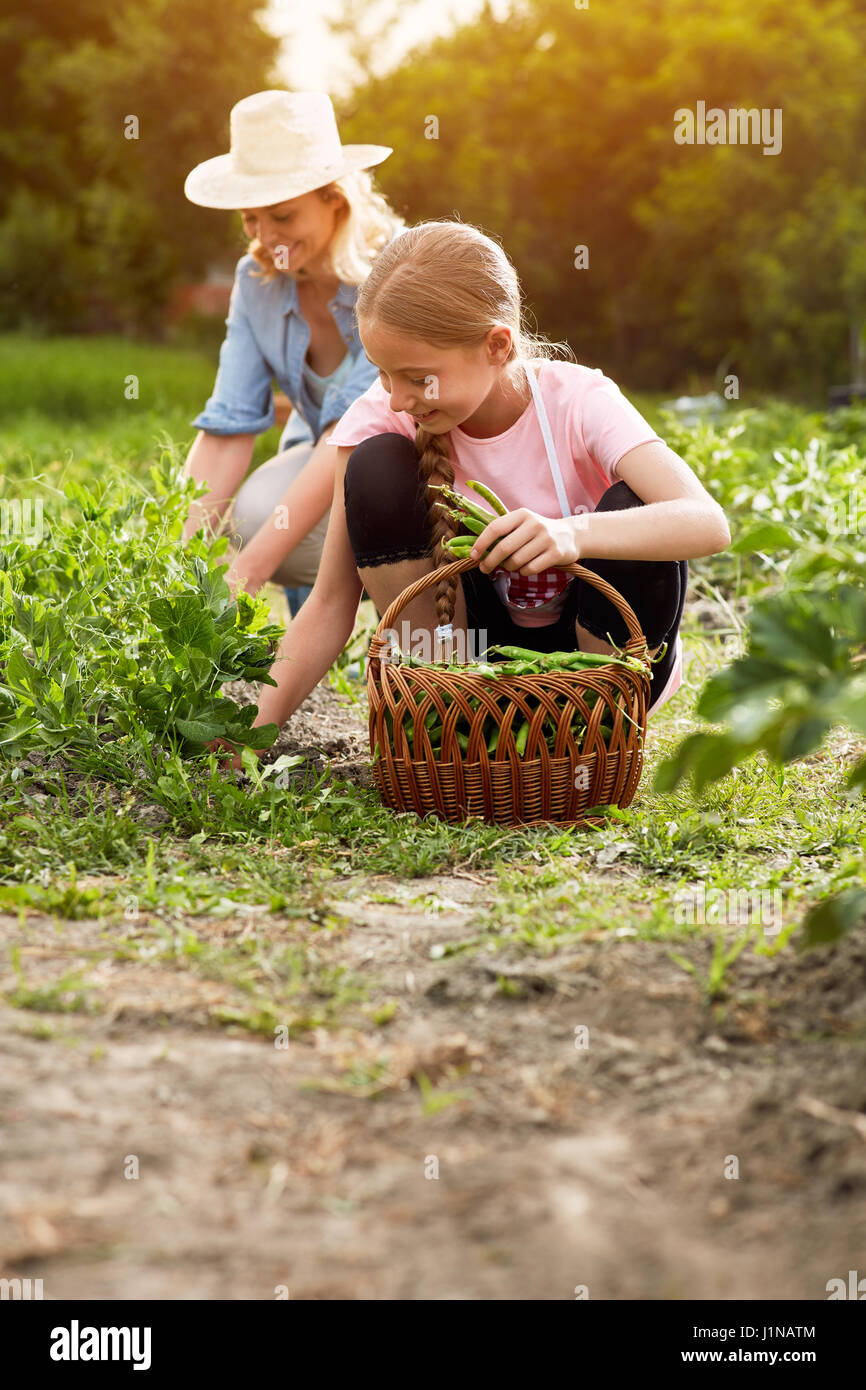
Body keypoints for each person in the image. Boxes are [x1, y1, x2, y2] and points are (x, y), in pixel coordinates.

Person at [225, 219, 731, 763]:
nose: (398, 399)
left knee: (633, 506)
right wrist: (251, 736)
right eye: (383, 373)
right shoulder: (381, 417)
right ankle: (447, 709)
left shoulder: (579, 401)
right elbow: (328, 605)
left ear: (496, 345)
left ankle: (593, 734)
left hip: (598, 653)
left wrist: (572, 533)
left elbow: (706, 521)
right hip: (475, 652)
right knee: (373, 467)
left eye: (419, 378)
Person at [181, 89, 404, 615]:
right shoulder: (254, 281)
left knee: (262, 517)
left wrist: (246, 575)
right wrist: (177, 560)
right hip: (323, 456)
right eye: (251, 220)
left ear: (335, 199)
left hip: (426, 463)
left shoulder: (399, 269)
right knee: (257, 515)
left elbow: (348, 433)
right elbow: (228, 424)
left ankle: (420, 600)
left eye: (282, 215)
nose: (265, 239)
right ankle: (334, 598)